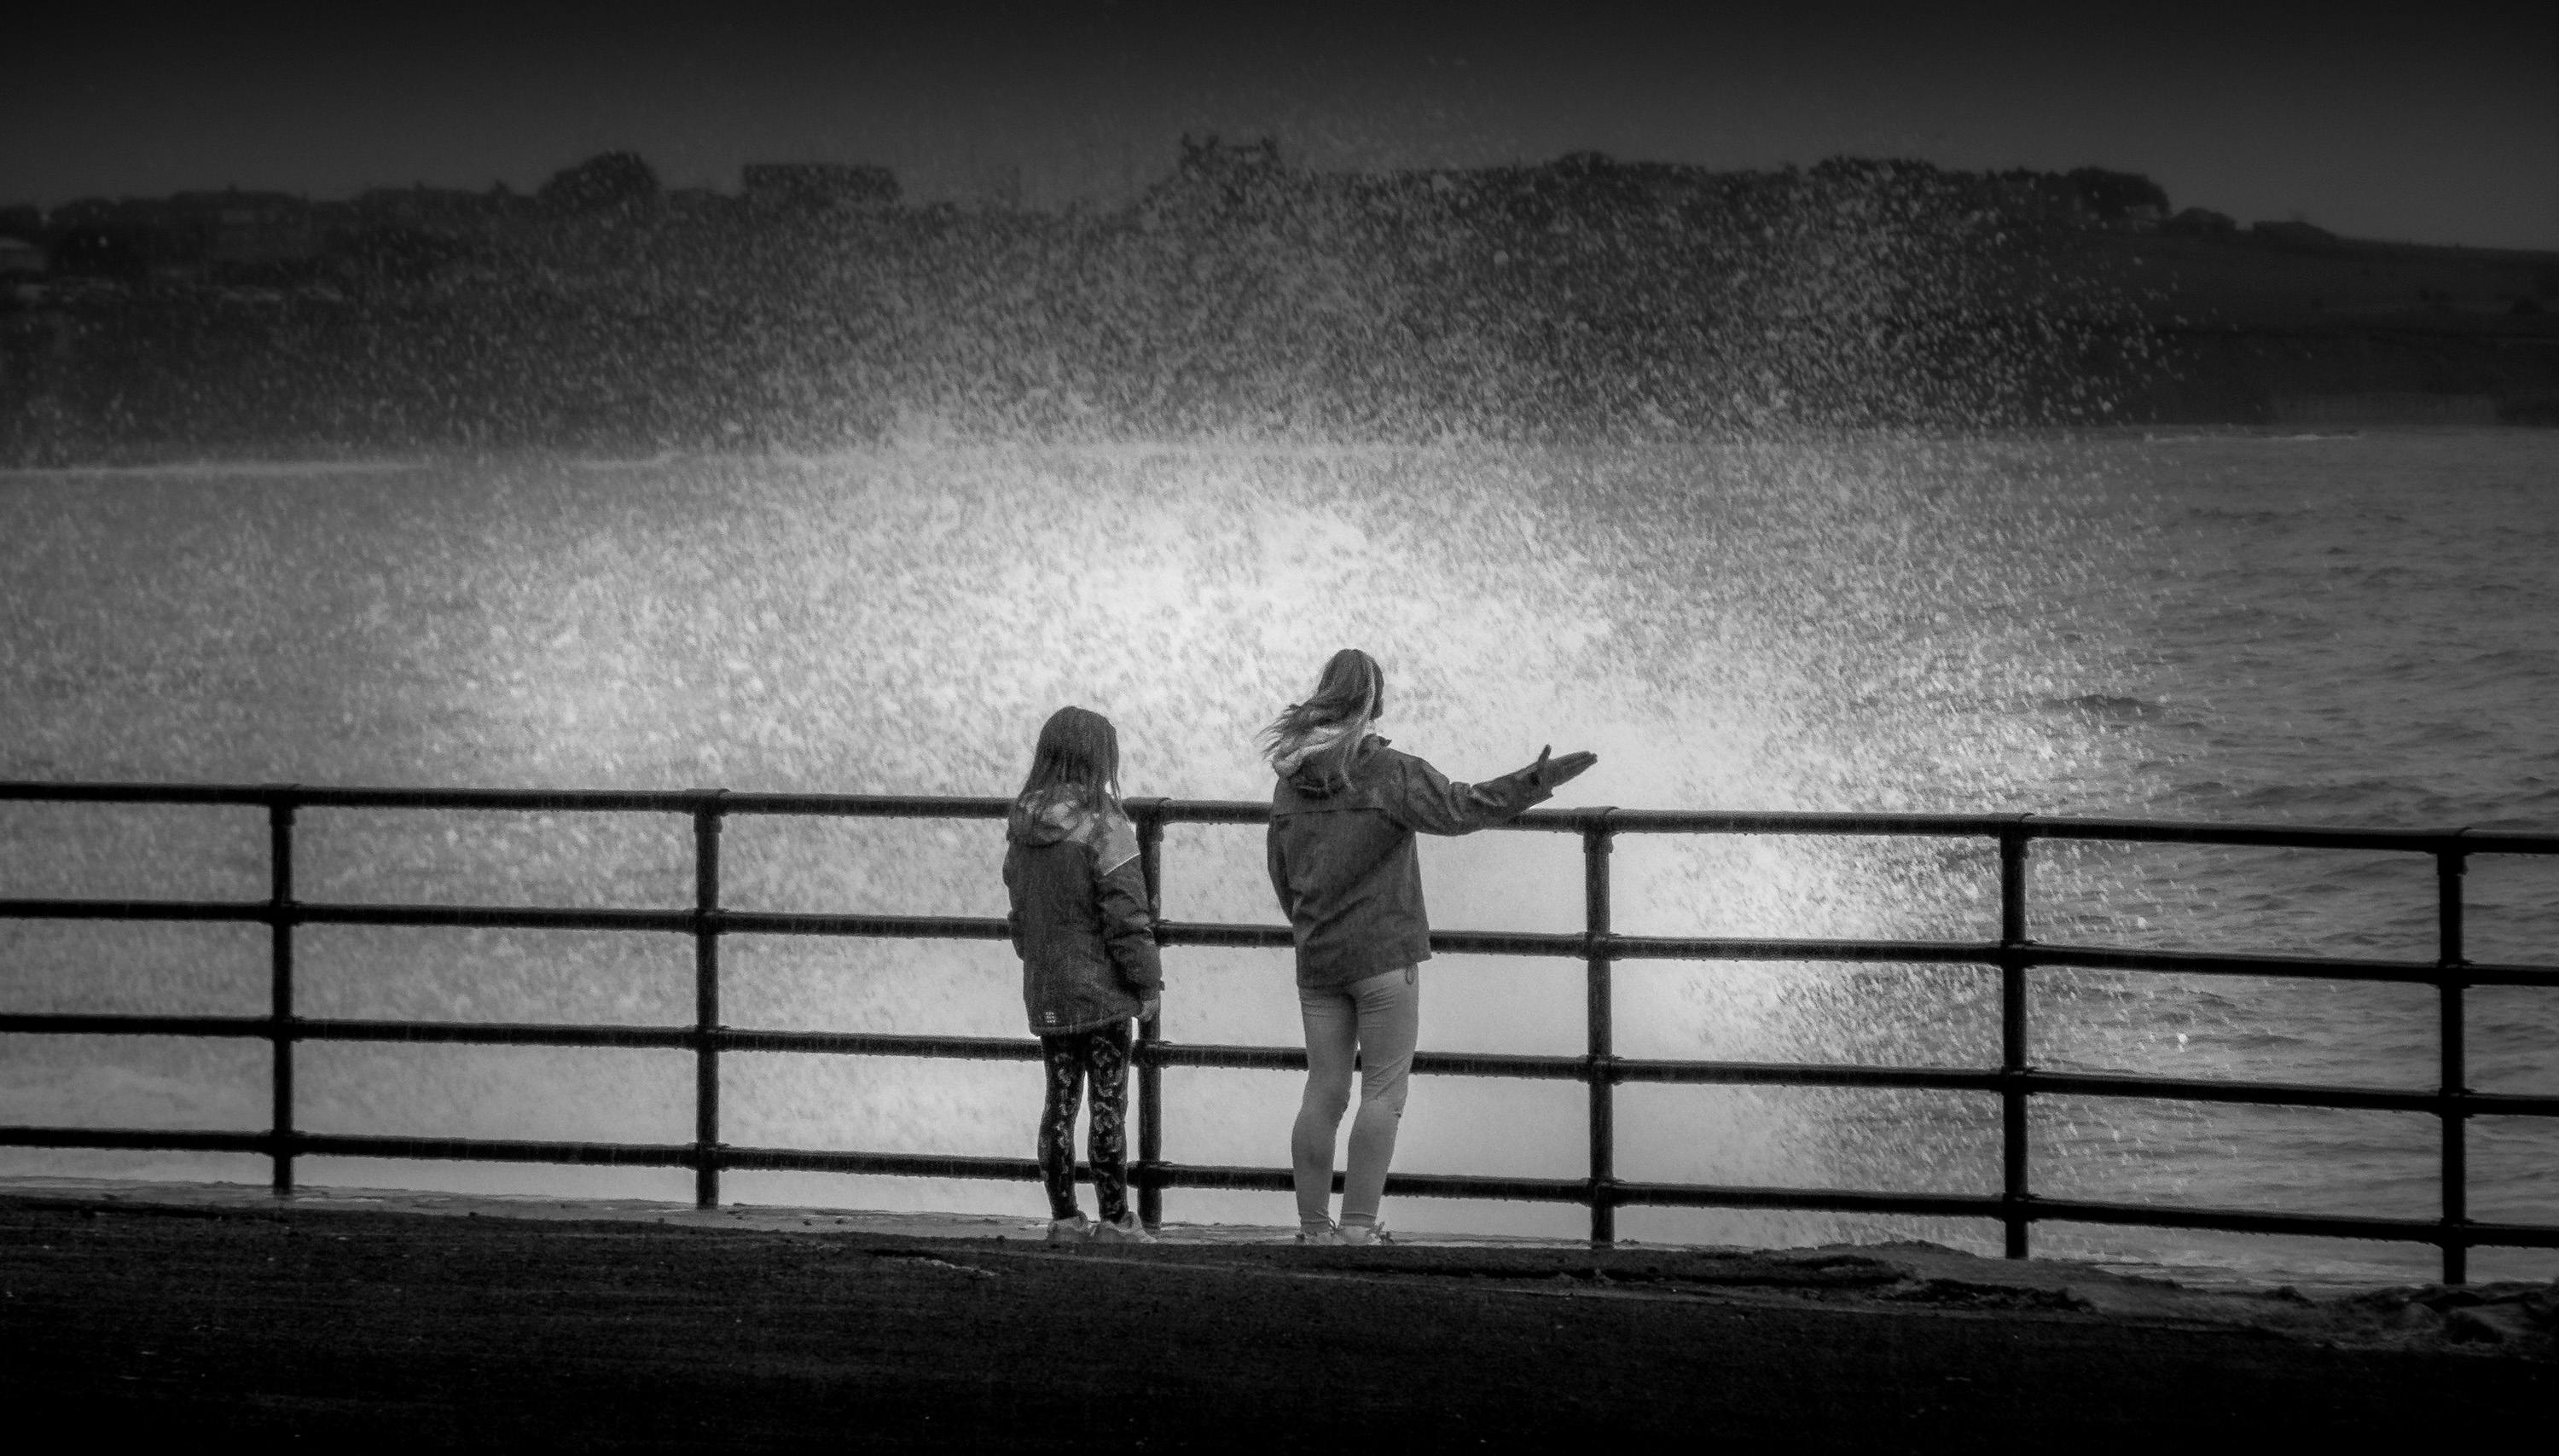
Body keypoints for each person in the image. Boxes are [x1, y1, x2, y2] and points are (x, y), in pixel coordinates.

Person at [1262, 648, 1596, 1245]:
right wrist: (1536, 780)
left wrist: (1313, 927)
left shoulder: (1289, 782)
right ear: (1375, 702)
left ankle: (1314, 1229)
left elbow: (1281, 875)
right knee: (1383, 1093)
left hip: (1319, 960)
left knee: (1323, 1090)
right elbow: (1462, 808)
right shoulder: (1388, 771)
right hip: (1385, 956)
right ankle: (1359, 1228)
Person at [1003, 705, 1163, 1244]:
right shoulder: (1106, 825)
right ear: (1099, 759)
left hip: (1048, 986)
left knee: (1059, 1100)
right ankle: (1116, 1220)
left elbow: (1020, 911)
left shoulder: (1022, 825)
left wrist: (1037, 959)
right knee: (1108, 1103)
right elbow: (1127, 917)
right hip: (1103, 992)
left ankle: (1064, 1218)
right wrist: (1146, 984)